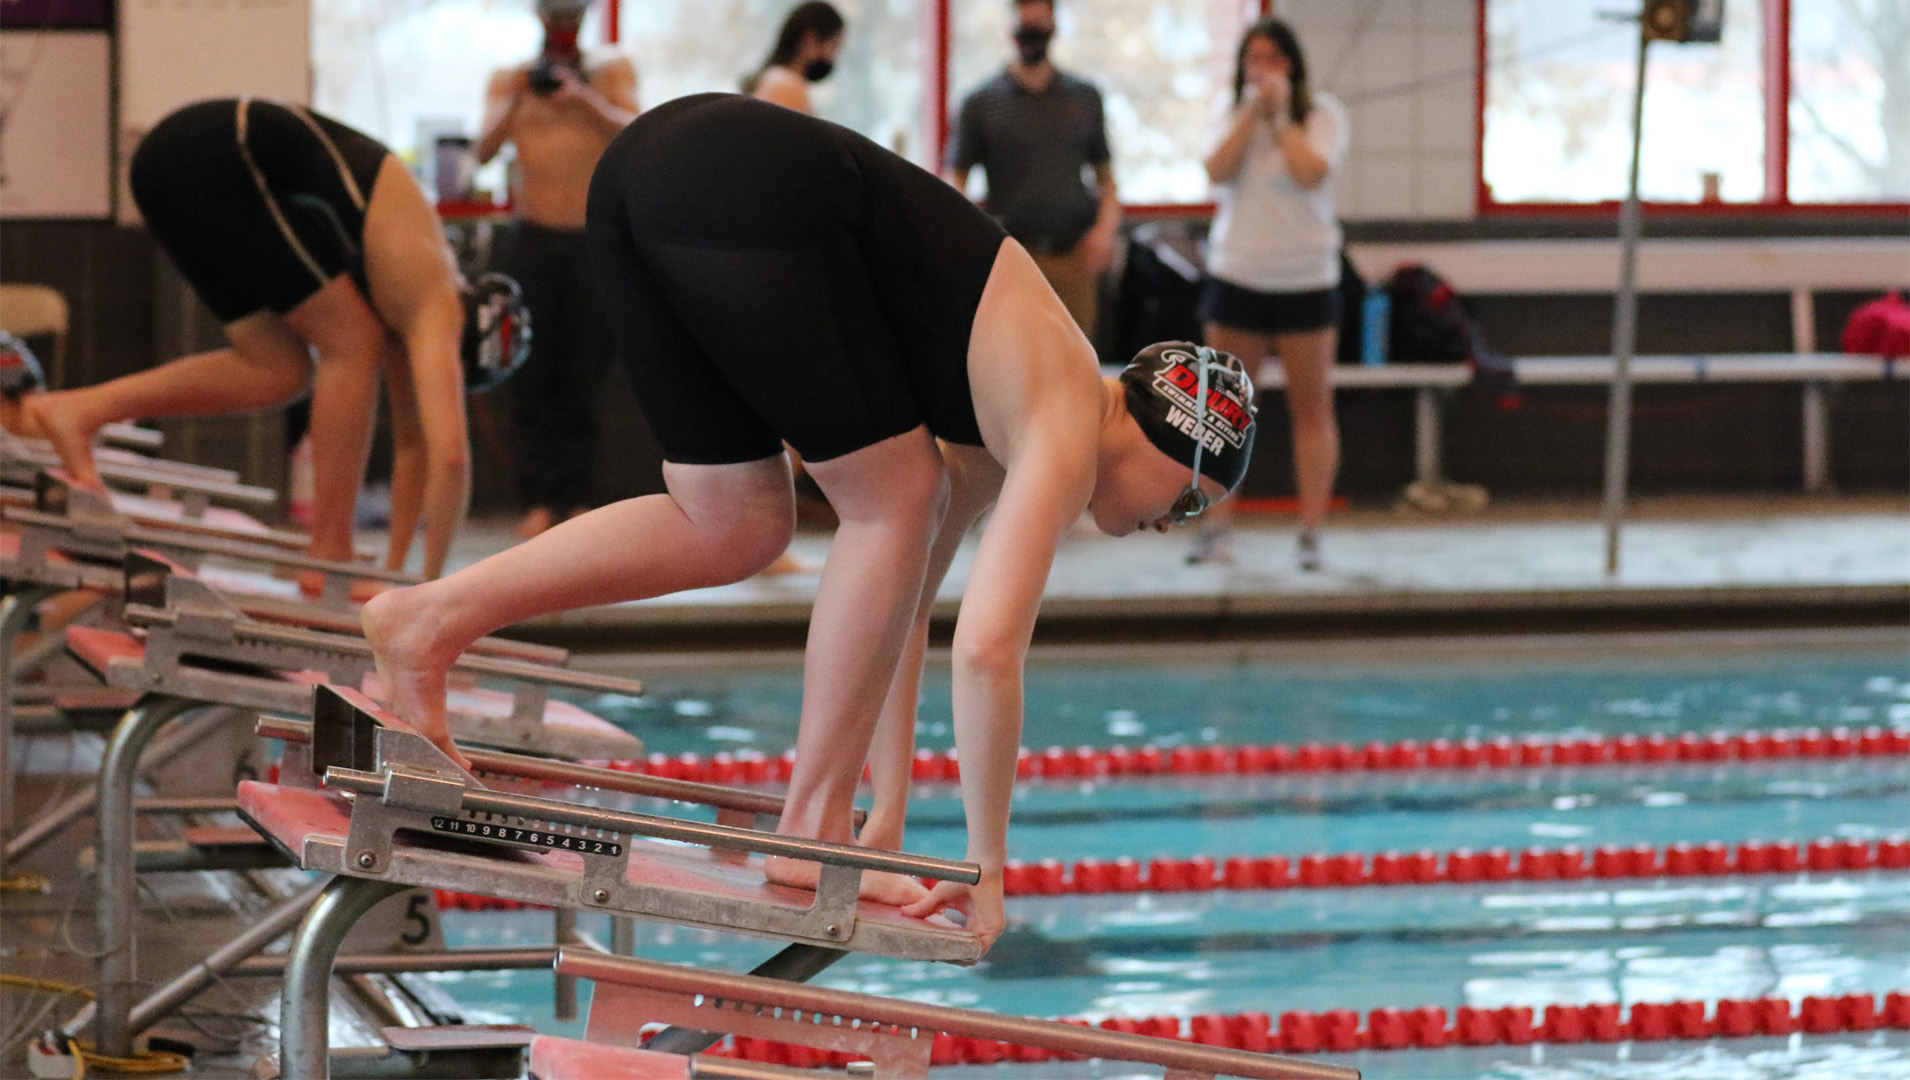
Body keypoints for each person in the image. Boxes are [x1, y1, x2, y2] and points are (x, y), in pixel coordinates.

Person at [361, 94, 1256, 951]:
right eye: (1190, 501)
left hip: (649, 172)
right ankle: (810, 828)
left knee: (735, 519)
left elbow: (905, 611)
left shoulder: (1011, 411)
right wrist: (986, 865)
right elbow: (986, 650)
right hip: (738, 182)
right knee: (897, 495)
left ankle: (426, 620)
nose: (1171, 524)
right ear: (1174, 442)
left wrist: (889, 814)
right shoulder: (1065, 416)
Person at [0, 97, 521, 584]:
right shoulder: (434, 301)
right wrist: (435, 590)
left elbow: (414, 449)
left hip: (172, 165)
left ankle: (79, 411)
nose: (423, 371)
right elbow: (452, 457)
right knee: (351, 341)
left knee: (279, 369)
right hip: (213, 156)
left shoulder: (409, 296)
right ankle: (329, 551)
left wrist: (403, 579)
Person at [1187, 17, 1348, 571]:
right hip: (1239, 275)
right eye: (1253, 59)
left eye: (1273, 58)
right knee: (1224, 408)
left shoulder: (1322, 115)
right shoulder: (1230, 113)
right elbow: (1215, 169)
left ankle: (1311, 533)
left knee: (1312, 408)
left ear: (1292, 65)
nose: (1263, 70)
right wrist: (1250, 117)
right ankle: (1215, 528)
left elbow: (1310, 172)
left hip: (1306, 279)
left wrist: (1279, 120)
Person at [475, 0, 639, 540]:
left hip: (593, 241)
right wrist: (516, 97)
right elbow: (481, 151)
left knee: (584, 374)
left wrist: (585, 99)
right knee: (532, 376)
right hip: (533, 239)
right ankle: (540, 498)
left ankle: (579, 497)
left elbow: (637, 132)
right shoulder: (512, 78)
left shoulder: (610, 74)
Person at [945, 0, 1119, 338]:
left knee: (1077, 357)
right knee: (1015, 352)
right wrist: (967, 241)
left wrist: (1104, 231)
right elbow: (955, 182)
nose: (1031, 37)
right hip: (1012, 258)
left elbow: (1107, 180)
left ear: (1053, 28)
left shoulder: (1084, 97)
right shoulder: (981, 102)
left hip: (1072, 257)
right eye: (1025, 27)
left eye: (1039, 27)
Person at [745, 1, 845, 116]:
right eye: (834, 46)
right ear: (810, 40)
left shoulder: (774, 78)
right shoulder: (786, 86)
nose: (833, 56)